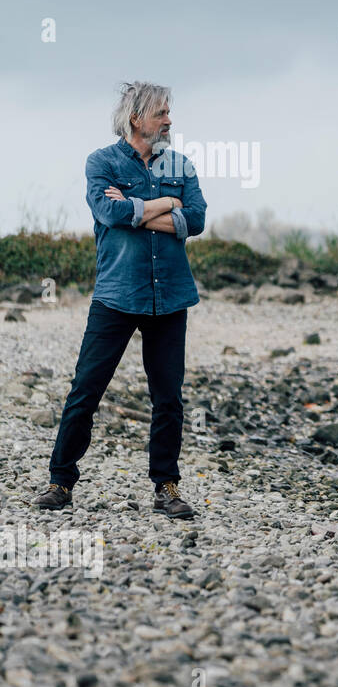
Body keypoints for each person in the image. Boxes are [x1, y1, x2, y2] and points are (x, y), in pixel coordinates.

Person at [34, 82, 207, 519]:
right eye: (162, 113)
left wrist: (140, 208)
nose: (169, 120)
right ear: (137, 118)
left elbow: (199, 218)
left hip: (170, 296)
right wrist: (167, 205)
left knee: (168, 397)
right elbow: (109, 214)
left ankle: (166, 487)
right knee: (86, 391)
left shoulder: (181, 165)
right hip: (115, 295)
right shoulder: (102, 162)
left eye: (169, 113)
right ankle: (60, 482)